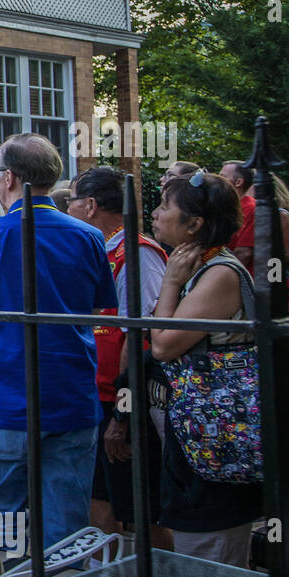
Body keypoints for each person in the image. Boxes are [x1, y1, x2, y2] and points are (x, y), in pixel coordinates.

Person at [0, 134, 117, 550]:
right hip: (72, 394)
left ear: (8, 178)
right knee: (67, 531)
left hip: (2, 397)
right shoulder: (88, 237)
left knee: (5, 529)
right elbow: (99, 310)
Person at [150, 171, 263, 566]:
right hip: (198, 438)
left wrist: (169, 282)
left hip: (220, 445)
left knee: (211, 569)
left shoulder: (220, 274)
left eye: (166, 207)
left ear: (195, 224)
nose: (155, 214)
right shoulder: (200, 268)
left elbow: (162, 344)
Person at [67, 167, 170, 547]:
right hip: (97, 396)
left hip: (122, 402)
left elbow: (139, 337)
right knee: (100, 503)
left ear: (91, 206)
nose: (68, 209)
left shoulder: (138, 255)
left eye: (72, 201)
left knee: (142, 508)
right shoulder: (98, 250)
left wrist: (123, 416)